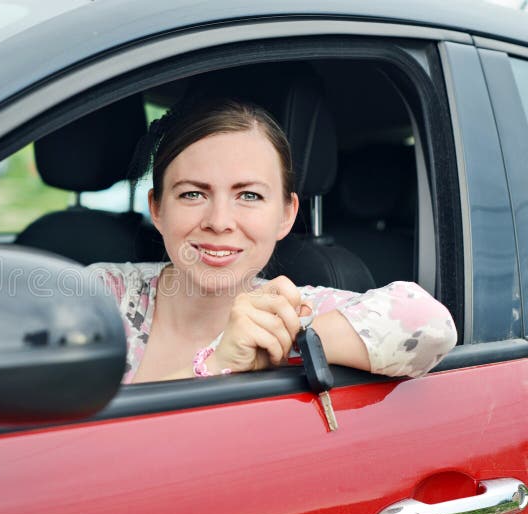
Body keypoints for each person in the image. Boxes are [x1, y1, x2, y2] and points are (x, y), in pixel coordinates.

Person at [89, 98, 457, 384]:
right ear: (156, 208)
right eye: (192, 194)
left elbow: (429, 324)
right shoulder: (103, 295)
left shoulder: (291, 311)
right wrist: (220, 362)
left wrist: (284, 340)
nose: (219, 222)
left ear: (286, 214)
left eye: (248, 195)